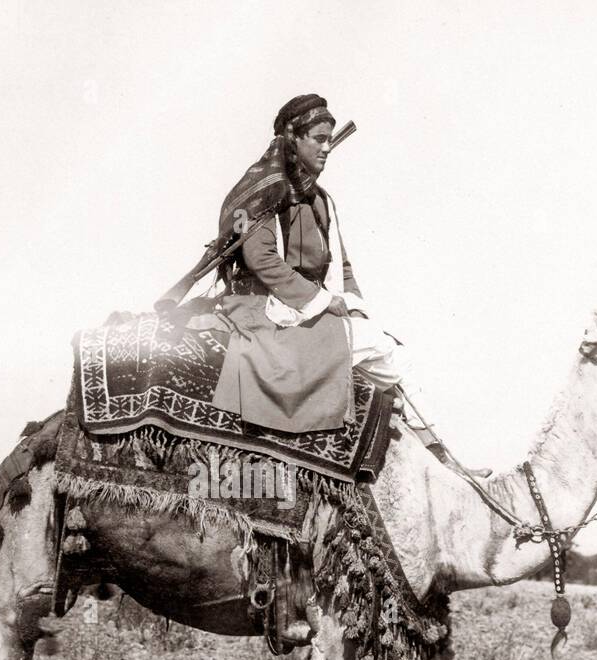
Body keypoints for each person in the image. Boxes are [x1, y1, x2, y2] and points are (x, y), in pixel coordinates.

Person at [198, 94, 485, 473]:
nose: (326, 147)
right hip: (260, 311)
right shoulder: (262, 192)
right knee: (388, 354)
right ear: (292, 138)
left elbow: (341, 266)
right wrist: (321, 302)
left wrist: (354, 306)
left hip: (302, 310)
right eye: (318, 138)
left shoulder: (320, 201)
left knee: (385, 348)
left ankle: (439, 460)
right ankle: (442, 461)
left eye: (329, 139)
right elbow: (261, 260)